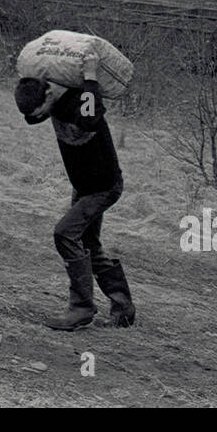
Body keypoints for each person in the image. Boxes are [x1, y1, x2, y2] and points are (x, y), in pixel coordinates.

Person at [15, 54, 135, 331]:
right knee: (89, 245)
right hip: (83, 186)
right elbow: (31, 116)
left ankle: (81, 308)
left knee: (65, 234)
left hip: (104, 187)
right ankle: (124, 308)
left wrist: (91, 75)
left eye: (37, 110)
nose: (35, 118)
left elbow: (91, 117)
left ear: (48, 97)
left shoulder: (80, 101)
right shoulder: (49, 99)